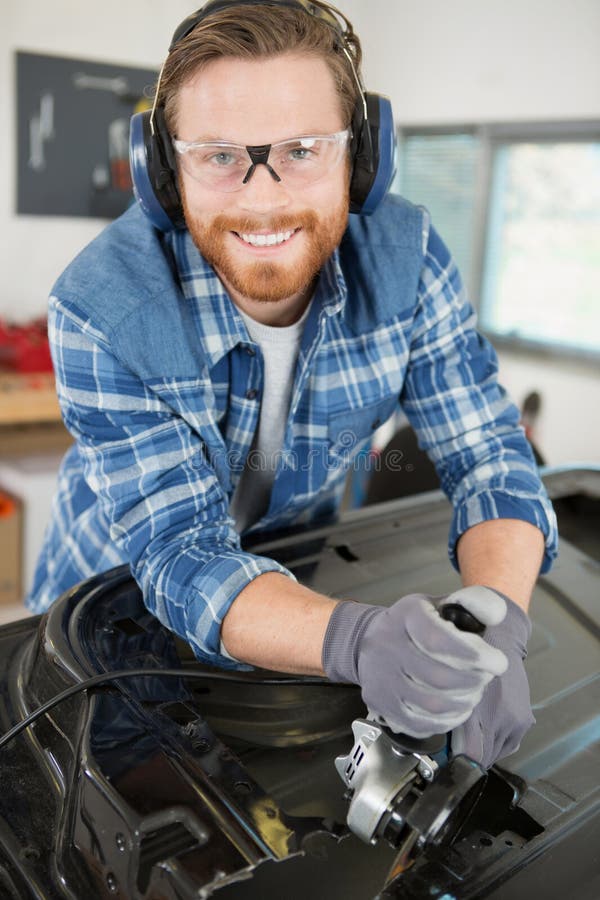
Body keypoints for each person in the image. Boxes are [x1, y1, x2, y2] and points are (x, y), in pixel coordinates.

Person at [28, 0, 557, 770]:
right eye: (218, 155)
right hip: (113, 603)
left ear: (363, 158)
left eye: (303, 149)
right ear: (163, 172)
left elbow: (488, 452)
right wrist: (356, 639)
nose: (263, 197)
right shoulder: (101, 307)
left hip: (290, 590)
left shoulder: (408, 259)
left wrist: (501, 619)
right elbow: (180, 550)